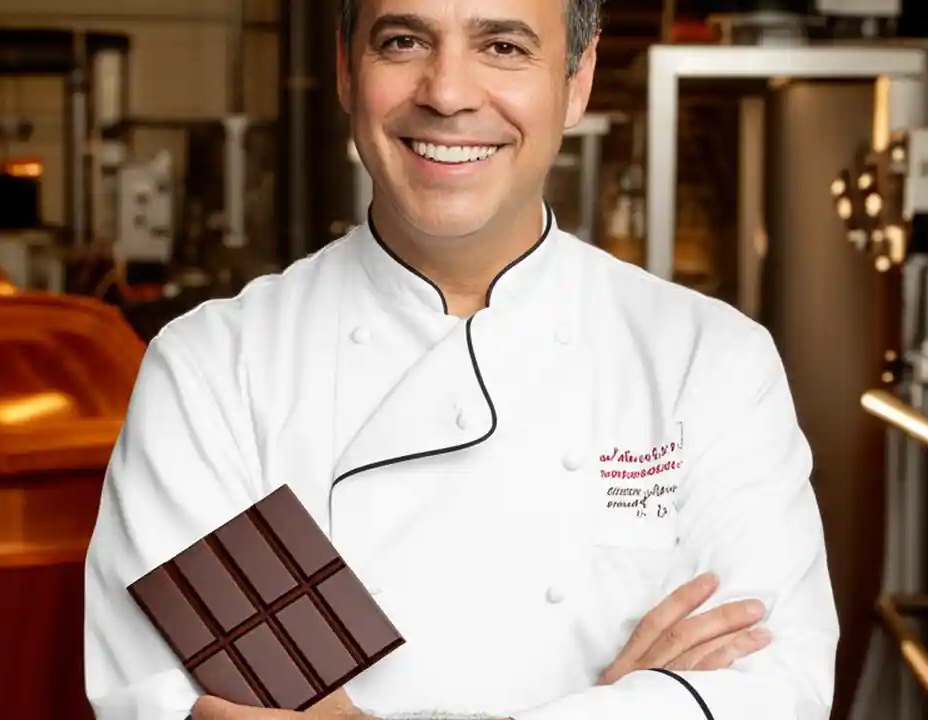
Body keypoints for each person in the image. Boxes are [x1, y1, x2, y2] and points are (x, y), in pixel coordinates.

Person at [83, 0, 840, 718]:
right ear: (347, 72)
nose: (447, 93)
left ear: (575, 82)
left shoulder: (706, 361)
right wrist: (621, 702)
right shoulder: (217, 369)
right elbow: (164, 700)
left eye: (503, 46)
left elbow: (774, 685)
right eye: (403, 41)